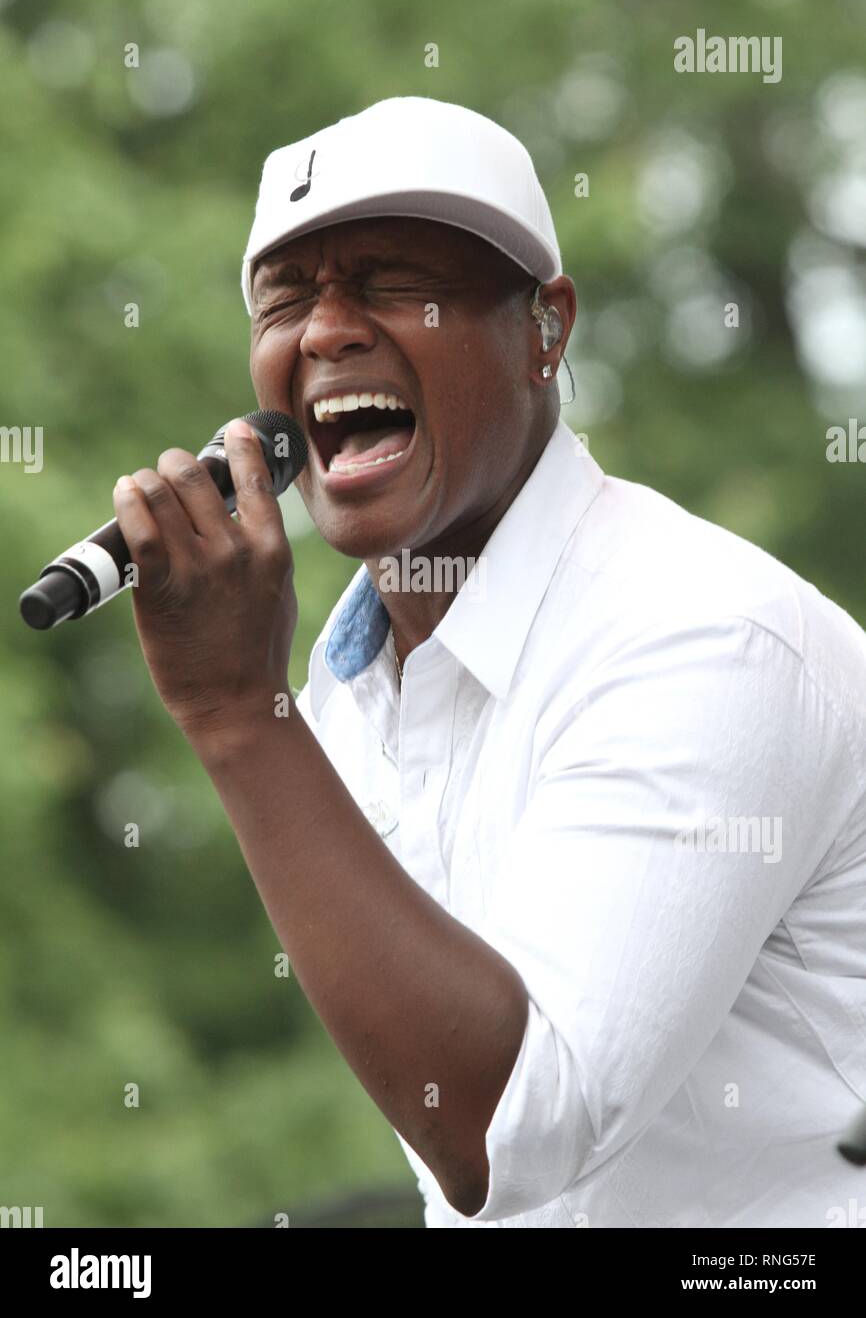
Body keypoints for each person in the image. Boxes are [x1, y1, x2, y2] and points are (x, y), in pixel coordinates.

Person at [113, 96, 866, 1228]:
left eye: (385, 281)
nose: (323, 332)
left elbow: (502, 1129)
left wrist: (235, 713)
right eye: (286, 299)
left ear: (545, 331)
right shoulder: (351, 693)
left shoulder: (700, 633)